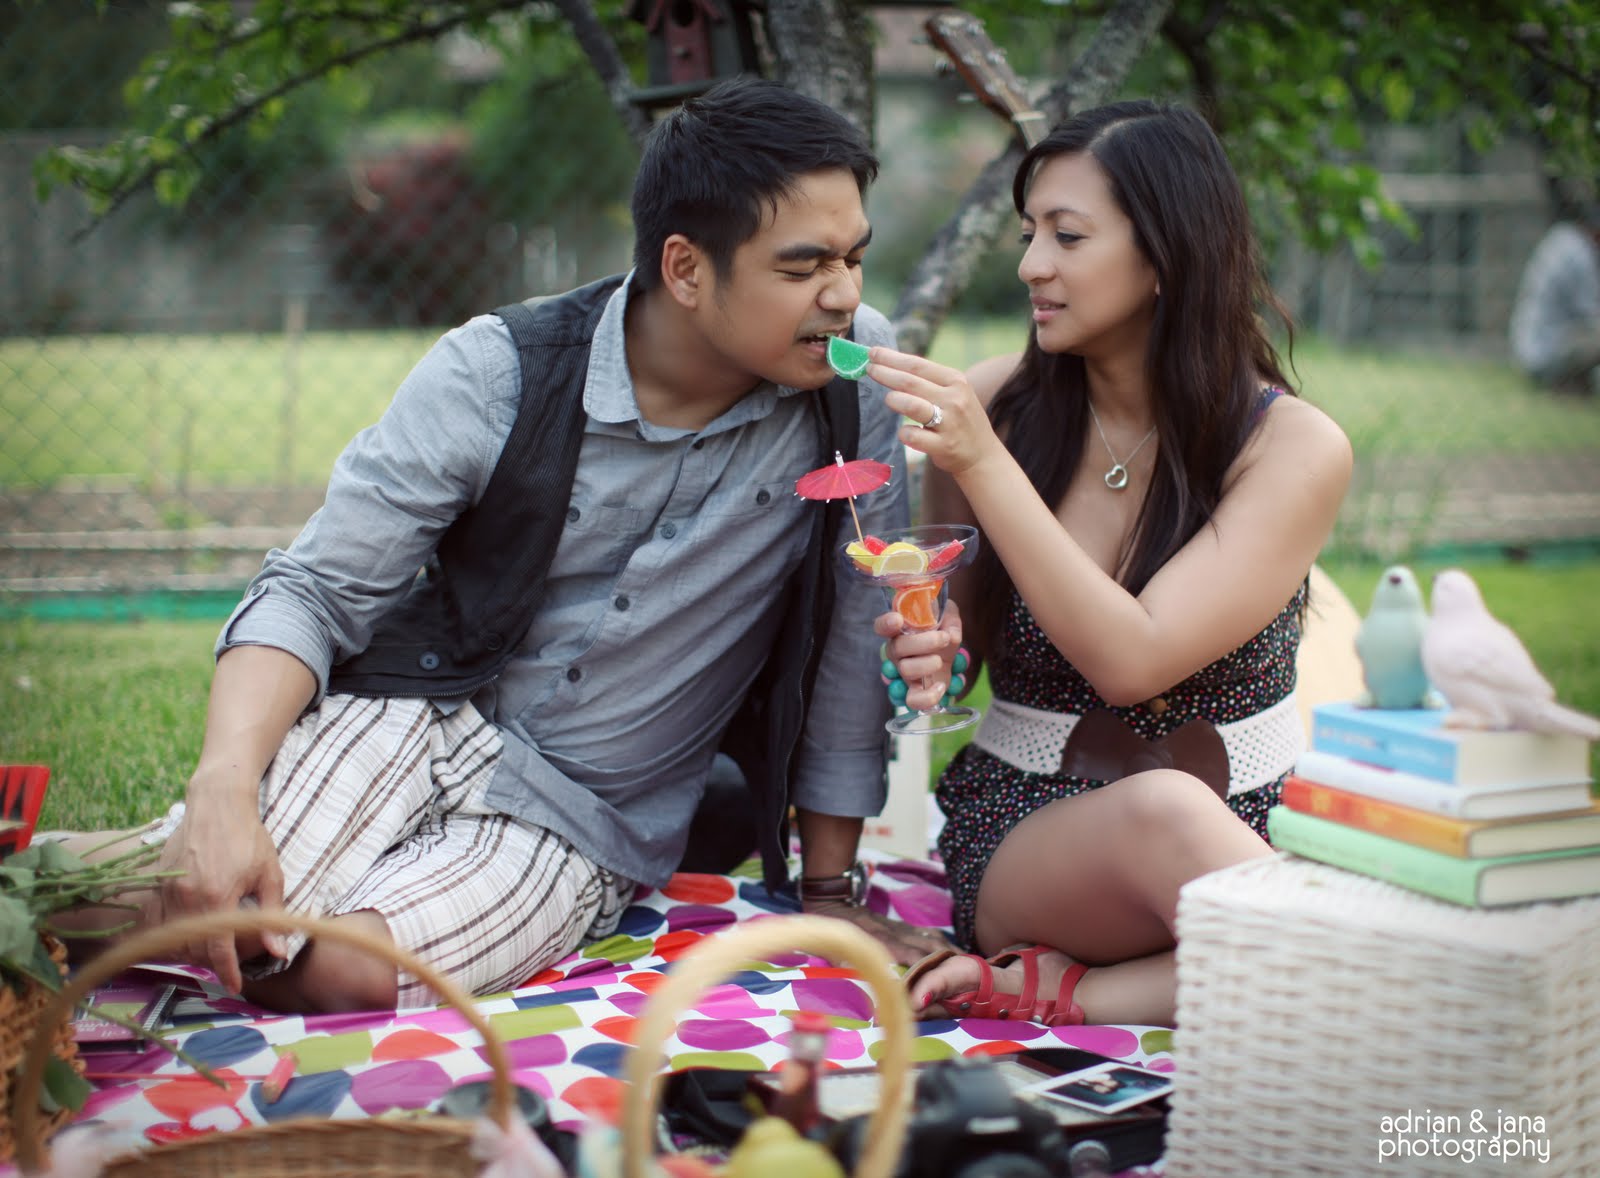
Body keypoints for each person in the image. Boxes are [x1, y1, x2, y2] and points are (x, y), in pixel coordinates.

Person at [63, 77, 949, 1012]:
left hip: (584, 822)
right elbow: (316, 591)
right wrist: (223, 785)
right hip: (415, 712)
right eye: (803, 266)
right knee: (220, 906)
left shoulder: (850, 391)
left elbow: (856, 638)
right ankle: (40, 883)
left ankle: (87, 881)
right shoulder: (499, 370)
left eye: (855, 257)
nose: (845, 295)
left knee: (343, 973)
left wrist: (828, 895)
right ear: (687, 270)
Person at [861, 100, 1352, 1028]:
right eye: (1028, 232)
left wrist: (980, 460)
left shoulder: (1289, 447)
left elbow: (1137, 657)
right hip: (1032, 826)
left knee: (1302, 945)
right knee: (1177, 820)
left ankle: (1064, 994)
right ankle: (1331, 957)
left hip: (1250, 828)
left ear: (1166, 255)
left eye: (1068, 236)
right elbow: (952, 639)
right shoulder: (998, 407)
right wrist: (928, 658)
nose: (1030, 265)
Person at [1509, 203, 1600, 396]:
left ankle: (1571, 388)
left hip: (1530, 347)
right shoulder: (1579, 254)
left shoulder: (1562, 238)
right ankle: (1562, 384)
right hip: (1545, 352)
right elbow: (1591, 314)